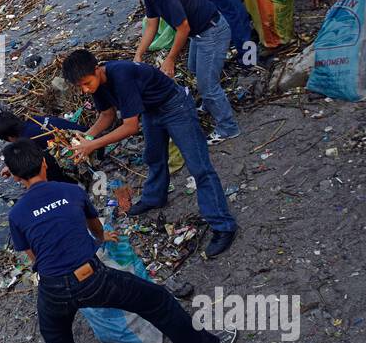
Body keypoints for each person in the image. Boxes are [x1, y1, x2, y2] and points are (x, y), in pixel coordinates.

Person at [3, 138, 235, 343]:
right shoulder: (71, 192)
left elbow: (32, 256)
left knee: (53, 329)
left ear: (16, 178)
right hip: (92, 279)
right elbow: (94, 227)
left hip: (53, 288)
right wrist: (102, 237)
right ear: (44, 164)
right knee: (157, 300)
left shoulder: (16, 214)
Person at [61, 51, 238, 258]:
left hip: (175, 106)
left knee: (199, 167)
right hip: (150, 110)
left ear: (96, 69)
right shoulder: (97, 84)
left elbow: (130, 127)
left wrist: (93, 145)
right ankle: (154, 197)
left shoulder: (122, 75)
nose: (85, 90)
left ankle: (223, 226)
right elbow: (107, 115)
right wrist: (86, 139)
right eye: (80, 87)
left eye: (86, 83)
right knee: (154, 156)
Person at [115, 0, 239, 140]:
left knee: (208, 86)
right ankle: (210, 104)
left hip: (211, 31)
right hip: (199, 33)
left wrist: (170, 59)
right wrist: (138, 54)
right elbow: (151, 26)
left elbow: (183, 28)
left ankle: (228, 127)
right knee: (194, 69)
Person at [0, 108, 82, 184]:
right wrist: (10, 168)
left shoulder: (27, 140)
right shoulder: (34, 120)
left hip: (80, 149)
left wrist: (13, 170)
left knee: (42, 170)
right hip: (85, 134)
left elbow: (29, 163)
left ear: (9, 137)